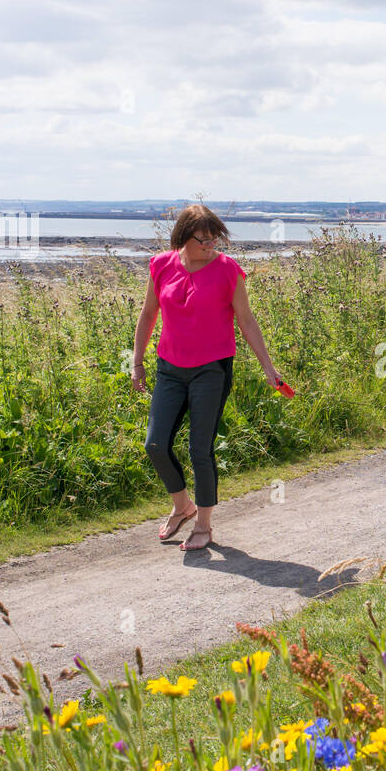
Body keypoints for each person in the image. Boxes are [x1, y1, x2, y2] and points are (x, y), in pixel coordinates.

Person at [131, 204, 281, 551]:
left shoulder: (228, 270)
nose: (211, 245)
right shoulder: (161, 265)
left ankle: (204, 525)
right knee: (155, 444)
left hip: (211, 370)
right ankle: (183, 506)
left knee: (200, 449)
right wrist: (137, 363)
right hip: (169, 368)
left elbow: (246, 320)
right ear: (184, 237)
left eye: (215, 239)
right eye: (204, 240)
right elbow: (148, 314)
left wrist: (268, 367)